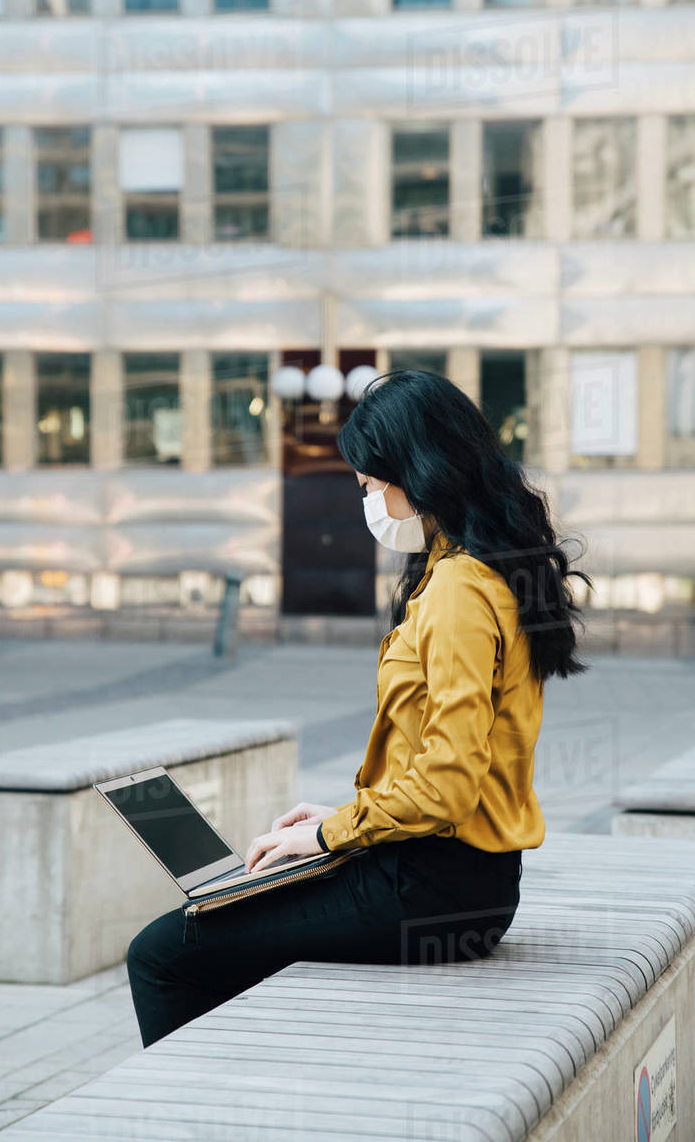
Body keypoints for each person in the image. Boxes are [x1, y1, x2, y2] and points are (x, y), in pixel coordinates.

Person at [126, 368, 592, 1048]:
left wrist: (327, 837)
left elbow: (449, 785)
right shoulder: (465, 569)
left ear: (419, 470)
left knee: (164, 954)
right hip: (452, 877)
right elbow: (447, 759)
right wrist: (341, 817)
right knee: (223, 926)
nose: (364, 495)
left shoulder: (461, 589)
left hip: (433, 889)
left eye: (372, 482)